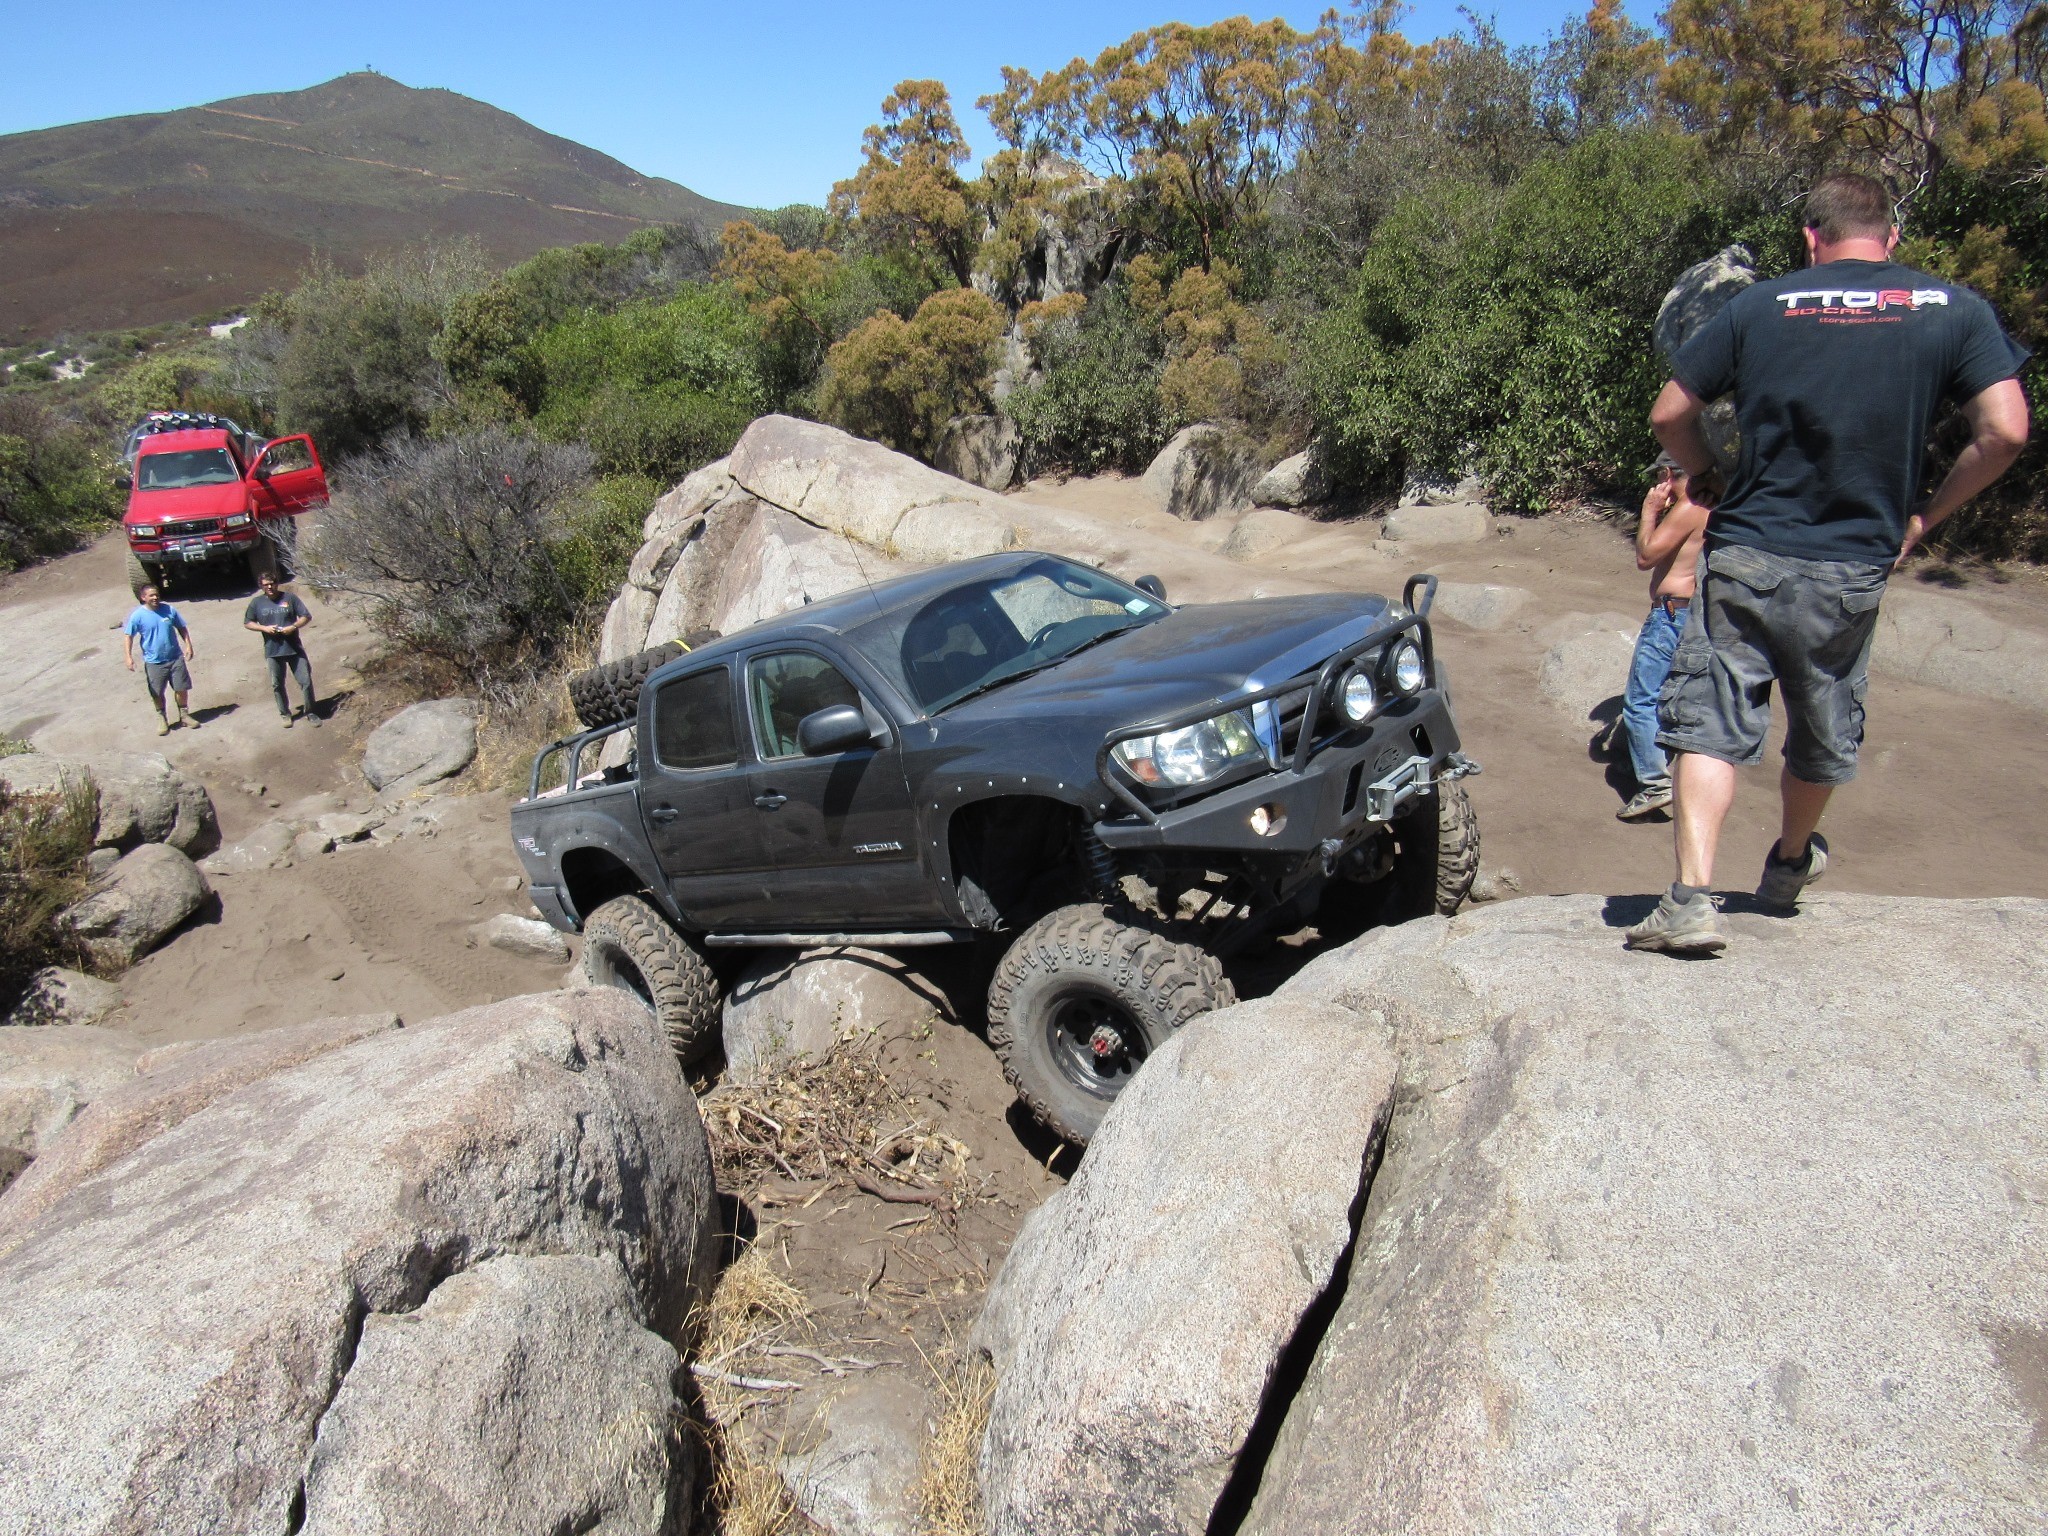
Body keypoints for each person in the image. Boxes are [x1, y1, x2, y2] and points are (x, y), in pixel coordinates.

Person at [1627, 172, 2031, 954]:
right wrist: (1924, 516)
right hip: (1851, 560)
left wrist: (1709, 476)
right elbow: (2007, 431)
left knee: (1712, 722)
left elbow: (1670, 413)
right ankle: (1786, 865)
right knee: (1822, 718)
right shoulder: (1953, 311)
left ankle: (1690, 899)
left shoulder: (1759, 306)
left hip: (1747, 549)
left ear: (1810, 238)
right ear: (1891, 238)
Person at [1616, 456, 1711, 821]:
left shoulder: (1688, 507)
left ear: (1668, 474)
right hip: (1698, 613)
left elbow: (1645, 555)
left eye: (1658, 476)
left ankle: (1655, 784)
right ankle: (1688, 782)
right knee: (1681, 700)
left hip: (1671, 614)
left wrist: (1650, 510)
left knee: (1642, 700)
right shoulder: (1715, 502)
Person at [243, 571, 319, 728]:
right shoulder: (257, 603)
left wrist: (293, 627)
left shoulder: (290, 598)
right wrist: (264, 628)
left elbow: (306, 616)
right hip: (273, 651)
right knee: (277, 684)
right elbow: (248, 622)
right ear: (261, 586)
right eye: (266, 585)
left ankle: (310, 712)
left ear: (276, 583)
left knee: (305, 681)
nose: (269, 587)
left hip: (294, 648)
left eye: (272, 583)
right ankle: (285, 714)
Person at [121, 585, 198, 736]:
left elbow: (182, 627)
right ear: (143, 597)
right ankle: (162, 718)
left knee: (181, 688)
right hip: (154, 662)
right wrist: (128, 656)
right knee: (157, 692)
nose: (155, 598)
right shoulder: (138, 616)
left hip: (175, 657)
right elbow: (128, 636)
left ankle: (184, 715)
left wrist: (188, 645)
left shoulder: (169, 610)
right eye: (151, 596)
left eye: (156, 595)